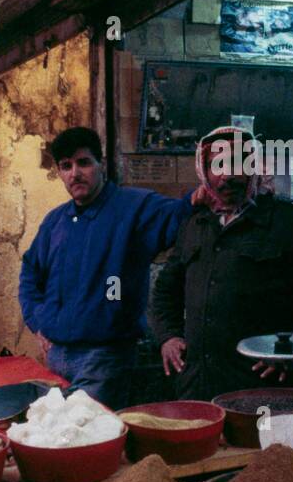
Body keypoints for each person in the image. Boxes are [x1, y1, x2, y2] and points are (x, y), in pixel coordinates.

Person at [150, 125, 293, 399]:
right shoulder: (195, 224)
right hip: (198, 386)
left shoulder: (289, 222)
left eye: (238, 162)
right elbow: (165, 291)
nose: (228, 175)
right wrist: (168, 336)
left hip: (265, 387)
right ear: (204, 169)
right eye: (218, 164)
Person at [19, 127, 195, 409]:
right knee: (53, 435)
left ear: (101, 164)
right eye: (66, 166)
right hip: (55, 357)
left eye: (84, 162)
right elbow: (30, 272)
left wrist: (211, 188)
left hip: (104, 360)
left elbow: (182, 212)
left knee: (86, 440)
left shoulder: (134, 207)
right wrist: (38, 321)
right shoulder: (55, 222)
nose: (75, 173)